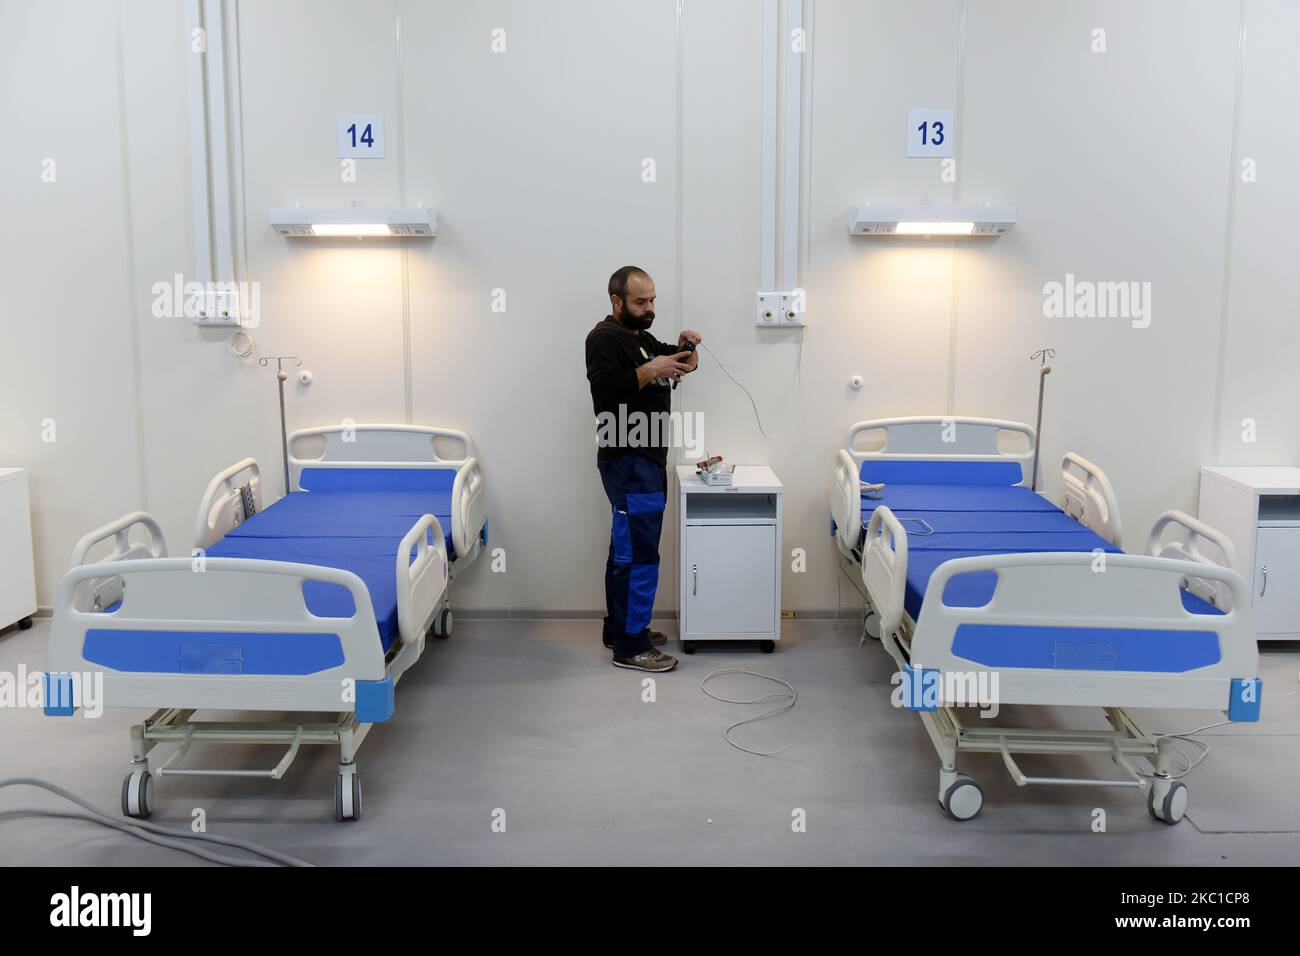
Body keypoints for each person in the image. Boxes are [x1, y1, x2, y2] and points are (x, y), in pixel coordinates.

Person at [585, 266, 701, 671]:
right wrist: (653, 369)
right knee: (640, 555)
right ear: (617, 301)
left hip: (645, 459)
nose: (650, 308)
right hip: (629, 460)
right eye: (640, 302)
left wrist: (688, 347)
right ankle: (631, 646)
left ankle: (619, 628)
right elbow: (605, 392)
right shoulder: (604, 339)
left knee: (626, 549)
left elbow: (682, 362)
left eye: (652, 300)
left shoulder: (641, 337)